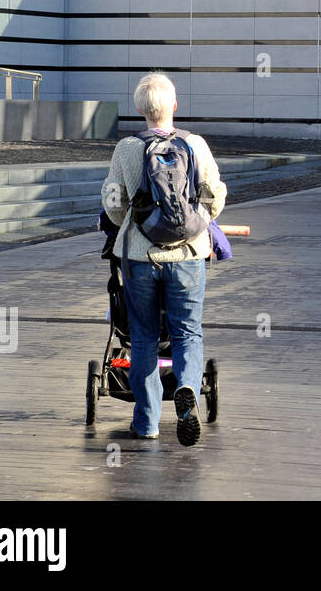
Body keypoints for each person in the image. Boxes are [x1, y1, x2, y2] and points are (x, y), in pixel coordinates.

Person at [102, 72, 226, 445]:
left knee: (142, 337)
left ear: (140, 110)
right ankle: (187, 390)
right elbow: (215, 195)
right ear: (174, 105)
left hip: (139, 257)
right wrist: (196, 225)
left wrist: (136, 225)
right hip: (187, 254)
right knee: (187, 332)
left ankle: (147, 422)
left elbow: (112, 202)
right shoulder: (195, 144)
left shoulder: (127, 148)